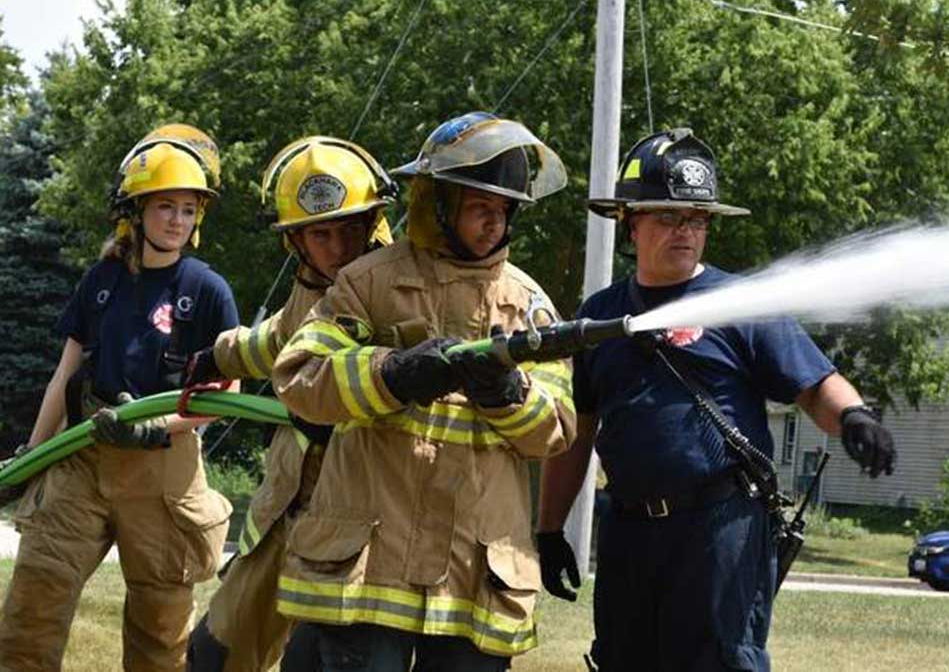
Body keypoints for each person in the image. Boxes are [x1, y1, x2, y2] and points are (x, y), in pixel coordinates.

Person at [535, 128, 896, 672]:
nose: (687, 231)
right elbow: (579, 432)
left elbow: (816, 384)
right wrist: (549, 528)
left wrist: (853, 415)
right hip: (629, 532)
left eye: (697, 220)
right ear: (631, 222)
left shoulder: (740, 304)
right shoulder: (600, 315)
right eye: (669, 218)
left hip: (720, 529)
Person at [269, 112, 576, 671]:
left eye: (504, 209)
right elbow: (300, 374)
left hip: (473, 575)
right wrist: (392, 373)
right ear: (438, 204)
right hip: (370, 571)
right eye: (481, 207)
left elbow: (555, 429)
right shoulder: (367, 282)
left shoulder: (528, 305)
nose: (494, 223)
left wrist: (508, 393)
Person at [0, 125, 240, 671]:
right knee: (33, 603)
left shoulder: (207, 290)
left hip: (163, 470)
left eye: (188, 208)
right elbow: (65, 374)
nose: (177, 220)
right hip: (83, 457)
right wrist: (30, 456)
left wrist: (158, 428)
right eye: (164, 207)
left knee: (160, 630)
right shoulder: (102, 280)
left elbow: (228, 391)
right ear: (135, 211)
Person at [184, 136, 396, 672]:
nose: (337, 247)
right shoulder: (308, 288)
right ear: (294, 242)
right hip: (287, 502)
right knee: (215, 652)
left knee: (313, 660)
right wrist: (218, 355)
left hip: (356, 516)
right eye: (319, 234)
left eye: (349, 229)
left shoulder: (398, 290)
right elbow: (277, 338)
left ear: (372, 222)